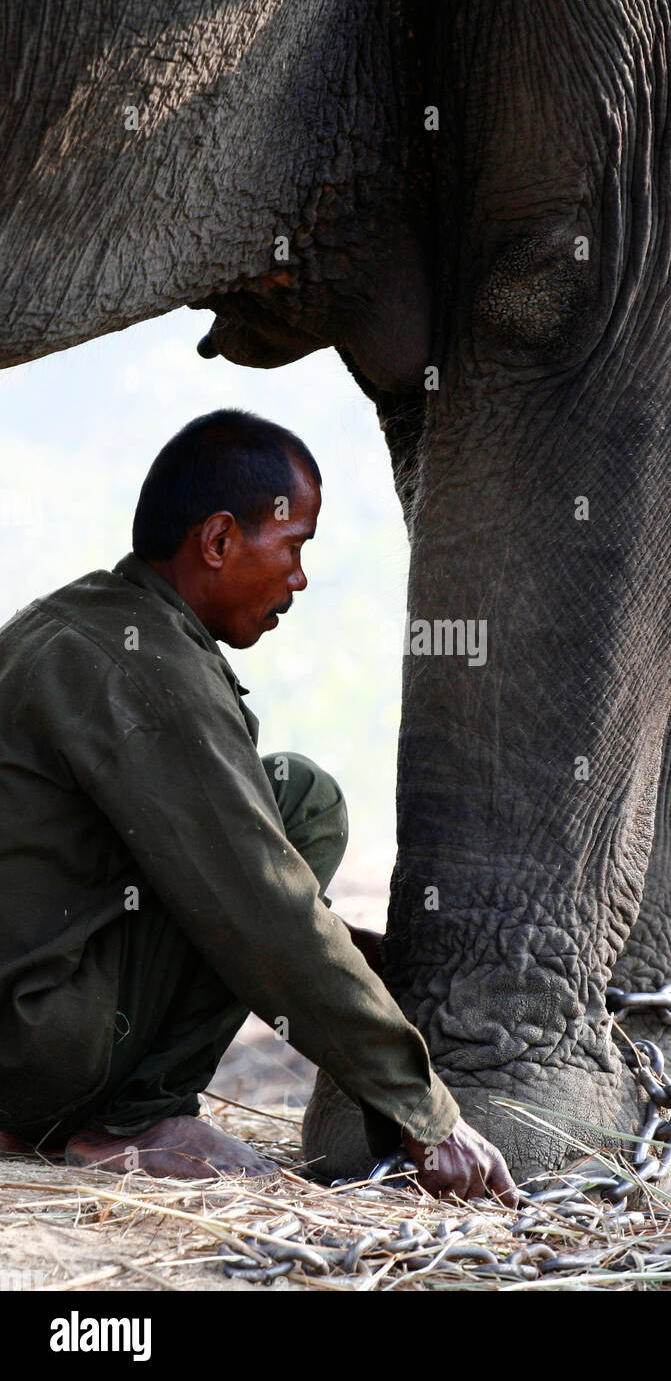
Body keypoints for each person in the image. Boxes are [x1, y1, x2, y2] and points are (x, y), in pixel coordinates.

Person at [0, 409, 517, 1205]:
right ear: (218, 542)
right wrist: (426, 1110)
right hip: (36, 1049)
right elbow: (258, 903)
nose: (300, 579)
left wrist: (364, 956)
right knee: (301, 803)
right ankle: (137, 1121)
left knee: (264, 823)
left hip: (22, 1021)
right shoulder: (150, 672)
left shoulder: (68, 625)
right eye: (295, 547)